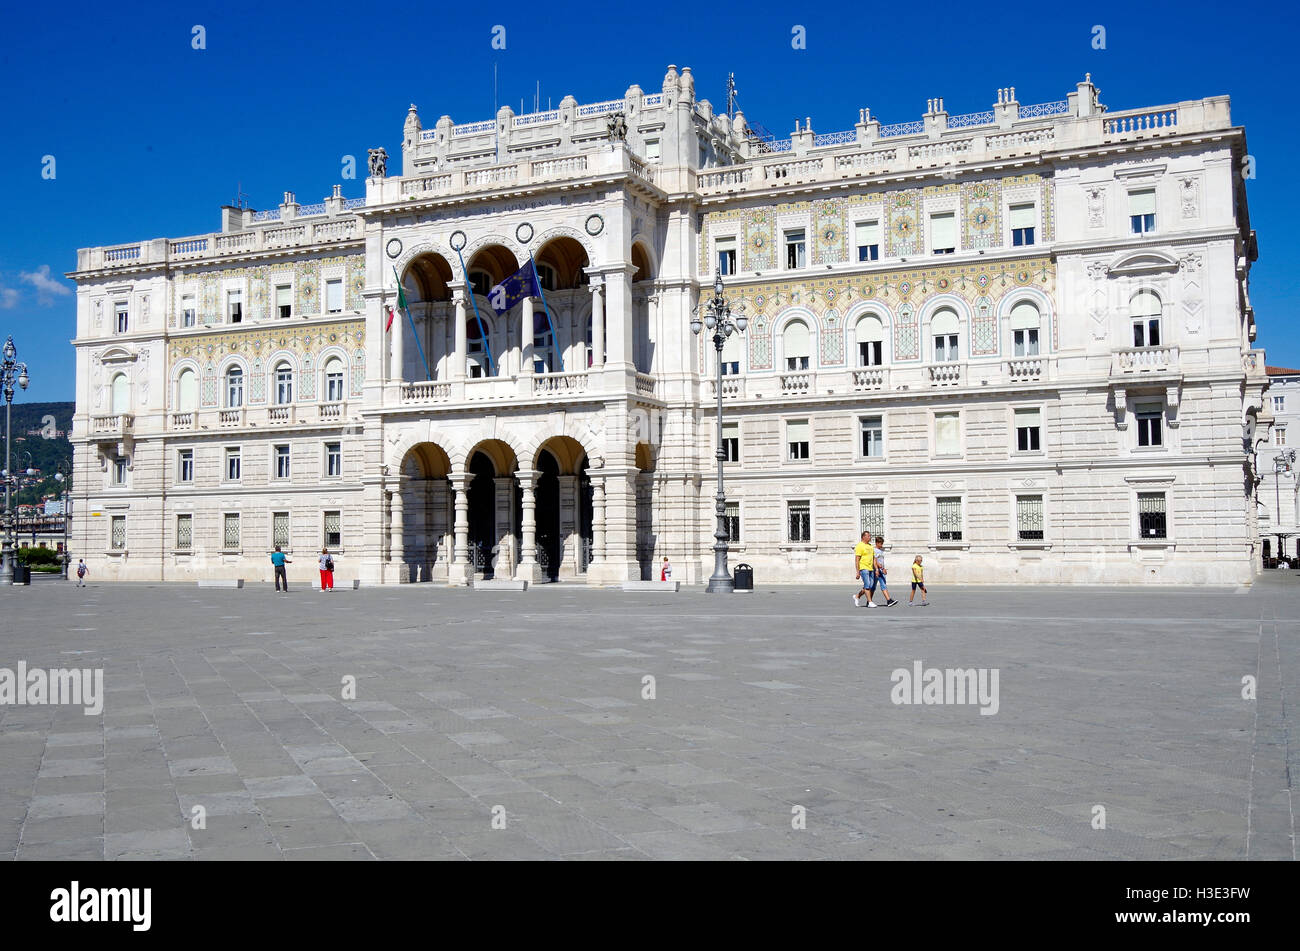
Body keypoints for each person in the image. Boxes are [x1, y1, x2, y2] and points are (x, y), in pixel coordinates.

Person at [872, 535, 899, 607]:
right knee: (875, 586)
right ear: (877, 543)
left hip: (881, 570)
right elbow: (874, 560)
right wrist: (880, 568)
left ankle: (870, 601)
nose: (881, 545)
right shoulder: (874, 550)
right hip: (877, 570)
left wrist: (884, 568)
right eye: (880, 543)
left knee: (876, 586)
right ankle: (888, 600)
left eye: (882, 543)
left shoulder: (880, 551)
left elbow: (881, 561)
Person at [853, 531, 877, 608]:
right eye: (868, 536)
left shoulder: (870, 546)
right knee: (867, 585)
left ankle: (857, 596)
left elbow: (874, 558)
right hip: (863, 568)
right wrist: (858, 572)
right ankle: (870, 602)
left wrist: (876, 569)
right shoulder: (860, 546)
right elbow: (857, 559)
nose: (870, 537)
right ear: (863, 537)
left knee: (870, 585)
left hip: (871, 569)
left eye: (870, 536)